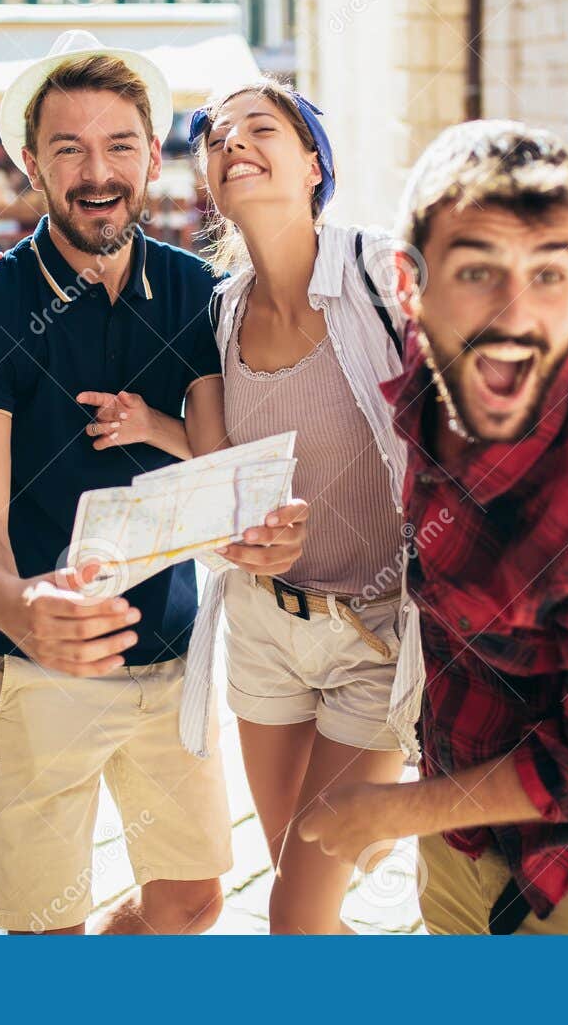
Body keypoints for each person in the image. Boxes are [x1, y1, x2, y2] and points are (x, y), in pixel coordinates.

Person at [298, 120, 568, 936]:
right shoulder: (439, 378)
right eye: (477, 272)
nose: (514, 316)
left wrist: (391, 811)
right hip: (466, 826)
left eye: (547, 276)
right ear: (411, 287)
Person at [0, 31, 309, 935]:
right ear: (31, 163)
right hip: (34, 662)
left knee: (191, 900)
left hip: (172, 656)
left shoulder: (193, 290)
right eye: (69, 149)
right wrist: (24, 610)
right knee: (43, 933)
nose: (97, 173)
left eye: (118, 146)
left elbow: (218, 473)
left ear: (151, 155)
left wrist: (259, 531)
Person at [178, 79, 423, 934]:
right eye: (216, 136)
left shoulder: (379, 272)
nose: (233, 141)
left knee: (295, 910)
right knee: (300, 875)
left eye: (261, 127)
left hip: (373, 635)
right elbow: (225, 478)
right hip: (264, 635)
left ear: (313, 162)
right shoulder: (214, 313)